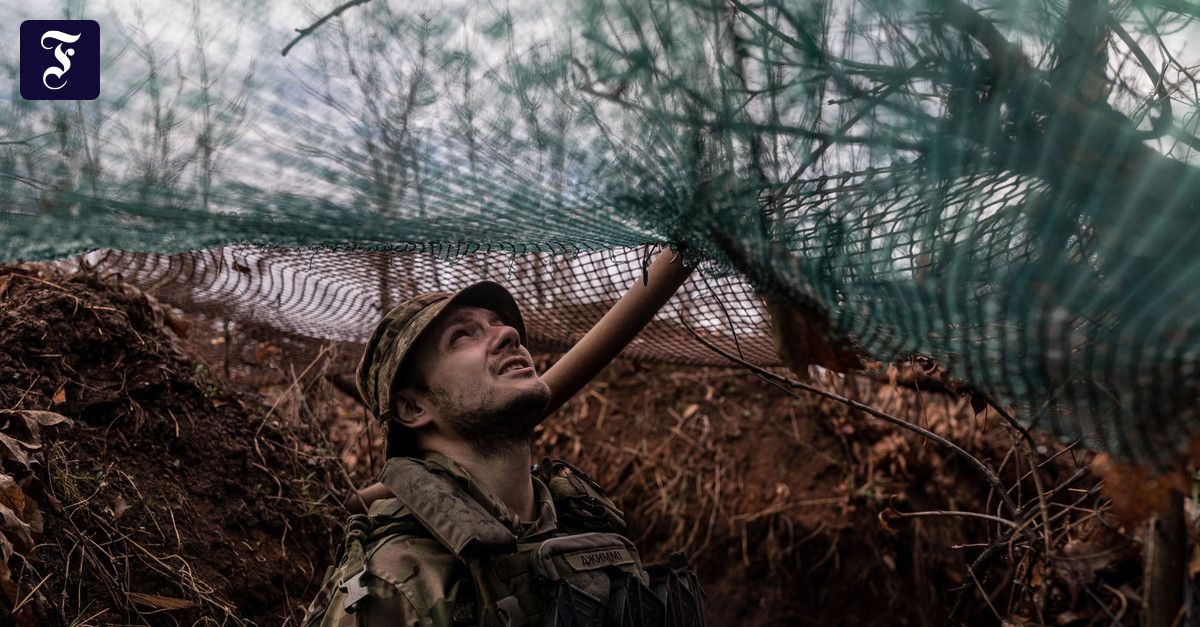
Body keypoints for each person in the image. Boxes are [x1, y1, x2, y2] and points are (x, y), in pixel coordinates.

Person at [301, 281, 704, 627]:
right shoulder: (397, 583)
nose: (509, 333)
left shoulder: (586, 522)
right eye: (462, 336)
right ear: (413, 408)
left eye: (499, 323)